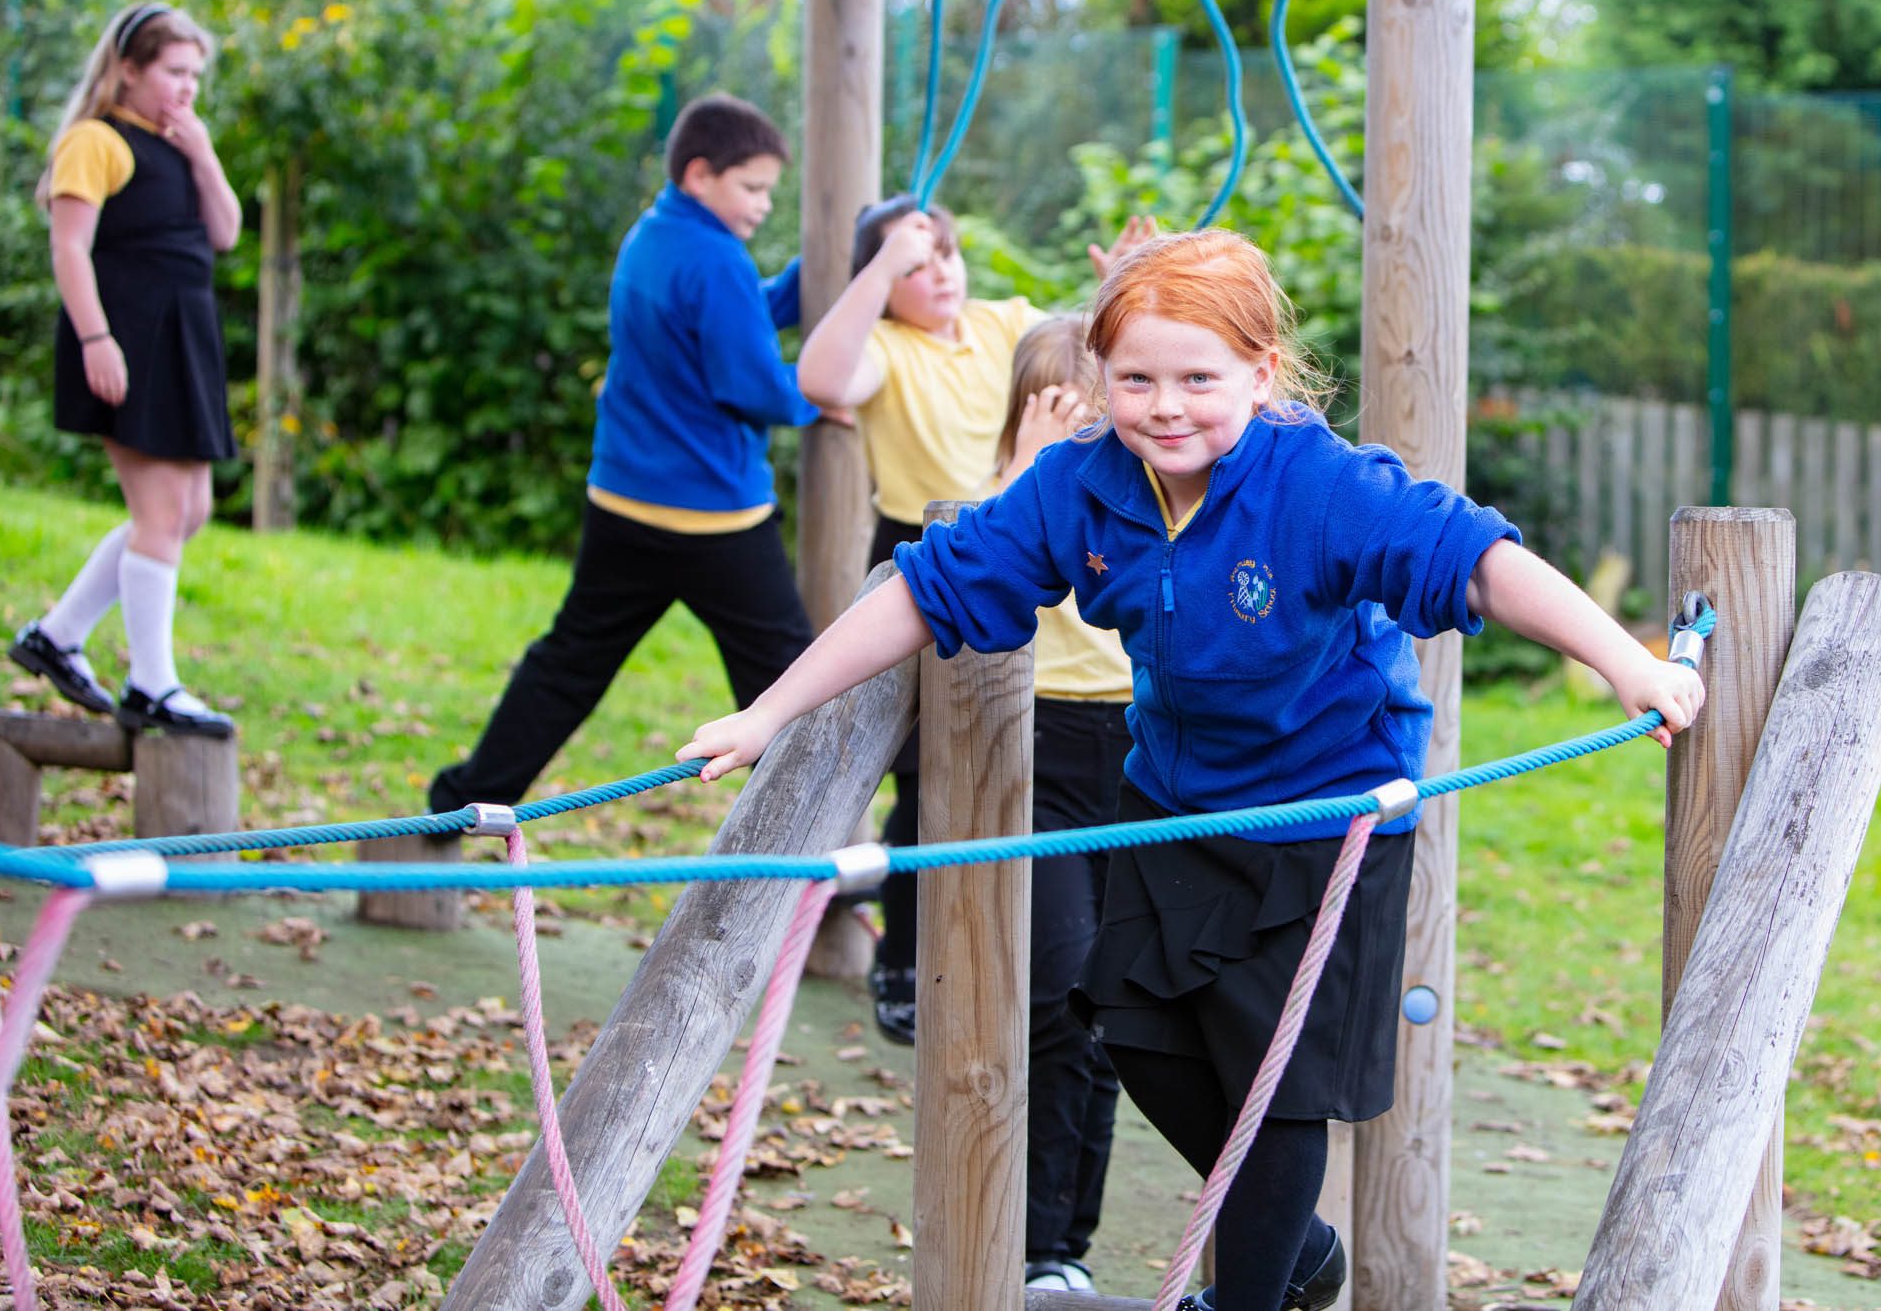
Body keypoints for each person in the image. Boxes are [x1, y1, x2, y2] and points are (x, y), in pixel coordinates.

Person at [682, 229, 1705, 1311]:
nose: (1165, 408)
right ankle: (1298, 1248)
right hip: (1178, 802)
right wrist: (768, 711)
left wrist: (1625, 662)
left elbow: (1479, 562)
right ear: (1098, 376)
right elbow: (927, 588)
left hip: (1325, 820)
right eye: (1135, 380)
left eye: (1198, 381)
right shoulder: (1084, 486)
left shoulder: (1319, 486)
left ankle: (1253, 1291)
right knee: (1135, 1032)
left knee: (1276, 1093)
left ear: (1262, 374)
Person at [794, 196, 1150, 1044]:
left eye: (945, 254)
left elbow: (1075, 353)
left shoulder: (999, 322)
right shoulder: (886, 346)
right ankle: (905, 962)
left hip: (1025, 537)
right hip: (933, 551)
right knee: (923, 777)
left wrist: (1121, 299)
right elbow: (821, 380)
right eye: (912, 267)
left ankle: (969, 965)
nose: (939, 273)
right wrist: (882, 269)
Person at [424, 94, 821, 815]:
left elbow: (722, 319)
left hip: (624, 503)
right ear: (701, 174)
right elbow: (755, 387)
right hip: (714, 521)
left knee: (569, 665)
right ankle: (812, 845)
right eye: (752, 187)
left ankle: (459, 805)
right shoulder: (718, 258)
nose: (764, 204)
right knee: (791, 684)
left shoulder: (653, 234)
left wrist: (802, 281)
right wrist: (819, 391)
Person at [9, 1, 244, 739]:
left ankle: (57, 636)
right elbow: (69, 248)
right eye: (174, 71)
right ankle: (152, 683)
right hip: (129, 339)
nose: (187, 88)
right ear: (128, 70)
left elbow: (226, 232)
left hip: (183, 340)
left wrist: (203, 152)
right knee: (160, 515)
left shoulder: (178, 143)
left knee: (189, 511)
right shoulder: (95, 140)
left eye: (196, 75)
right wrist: (96, 338)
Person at [994, 316, 1129, 1297]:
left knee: (1112, 1006)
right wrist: (1026, 468)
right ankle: (1039, 1242)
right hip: (1037, 744)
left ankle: (1067, 1243)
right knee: (1056, 991)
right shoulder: (1005, 493)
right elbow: (979, 582)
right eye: (1056, 422)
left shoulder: (1148, 492)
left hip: (1136, 746)